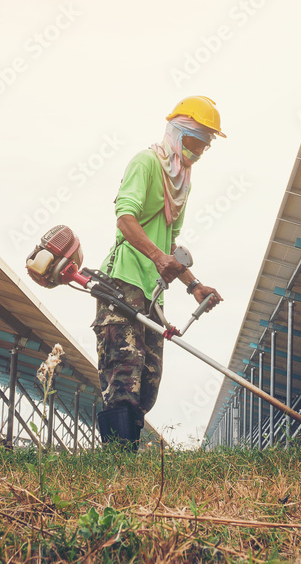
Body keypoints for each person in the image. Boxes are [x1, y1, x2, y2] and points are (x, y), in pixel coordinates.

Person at [93, 96, 225, 447]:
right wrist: (155, 257)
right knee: (123, 374)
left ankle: (127, 455)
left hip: (152, 294)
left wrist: (193, 284)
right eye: (196, 141)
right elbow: (125, 217)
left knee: (148, 380)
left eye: (205, 145)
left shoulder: (182, 181)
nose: (199, 151)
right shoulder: (147, 162)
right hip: (121, 283)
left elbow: (169, 244)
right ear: (178, 133)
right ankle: (116, 462)